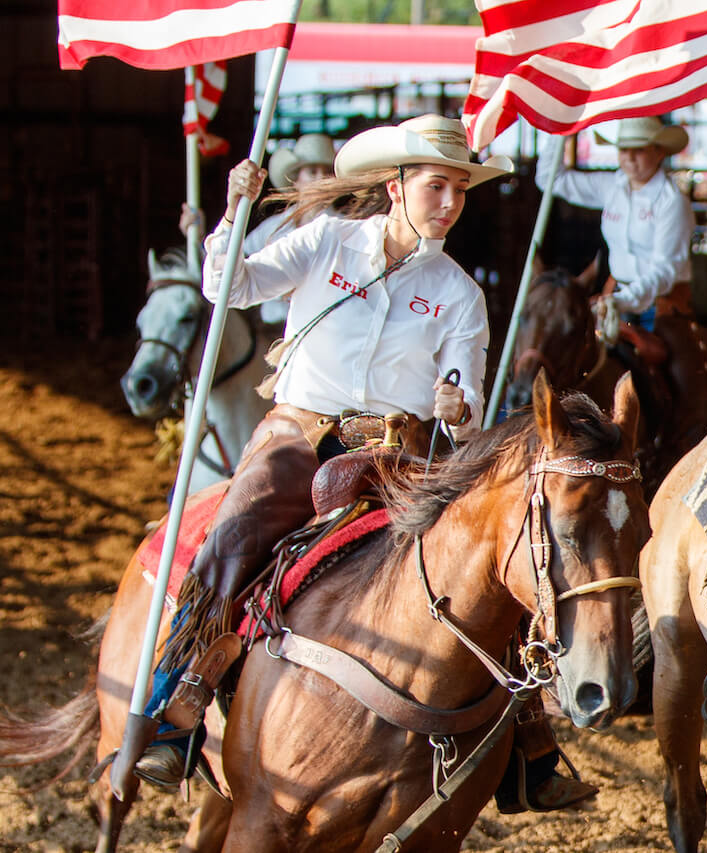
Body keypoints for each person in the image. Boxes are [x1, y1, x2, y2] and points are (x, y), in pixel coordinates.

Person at [114, 115, 593, 811]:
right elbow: (232, 285)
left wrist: (457, 408)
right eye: (437, 186)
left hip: (398, 456)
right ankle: (173, 711)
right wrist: (234, 210)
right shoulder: (327, 241)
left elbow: (468, 409)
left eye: (460, 189)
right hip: (298, 435)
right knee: (231, 540)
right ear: (396, 187)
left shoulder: (459, 292)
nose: (451, 202)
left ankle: (530, 744)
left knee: (481, 563)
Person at [535, 116, 694, 334]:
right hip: (615, 297)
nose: (629, 158)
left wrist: (620, 300)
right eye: (623, 150)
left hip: (661, 302)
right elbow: (549, 179)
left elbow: (665, 270)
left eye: (639, 150)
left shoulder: (672, 201)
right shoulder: (611, 186)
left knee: (679, 366)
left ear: (659, 153)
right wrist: (561, 134)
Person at [180, 133, 338, 323]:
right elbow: (231, 267)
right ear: (296, 180)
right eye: (312, 171)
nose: (321, 179)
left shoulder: (344, 231)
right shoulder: (272, 227)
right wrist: (198, 238)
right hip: (268, 333)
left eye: (327, 172)